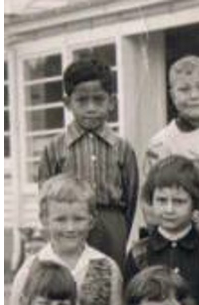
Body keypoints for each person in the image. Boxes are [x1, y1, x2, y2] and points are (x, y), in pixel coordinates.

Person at [37, 55, 139, 263]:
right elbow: (45, 195)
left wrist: (119, 229)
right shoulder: (55, 148)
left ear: (111, 102)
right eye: (82, 101)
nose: (91, 107)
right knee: (69, 274)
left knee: (109, 275)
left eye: (98, 99)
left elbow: (131, 196)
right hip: (69, 222)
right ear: (67, 103)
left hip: (111, 224)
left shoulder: (122, 148)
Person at [8, 174, 123, 305]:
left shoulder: (108, 267)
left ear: (91, 220)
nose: (70, 228)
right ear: (44, 220)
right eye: (60, 220)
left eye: (78, 219)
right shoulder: (30, 270)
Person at [136, 55, 199, 250]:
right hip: (180, 242)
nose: (194, 96)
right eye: (184, 89)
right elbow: (148, 202)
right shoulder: (161, 143)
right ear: (173, 96)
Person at [125, 155, 199, 305]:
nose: (169, 209)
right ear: (151, 200)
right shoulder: (138, 252)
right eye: (161, 200)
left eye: (179, 201)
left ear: (195, 203)